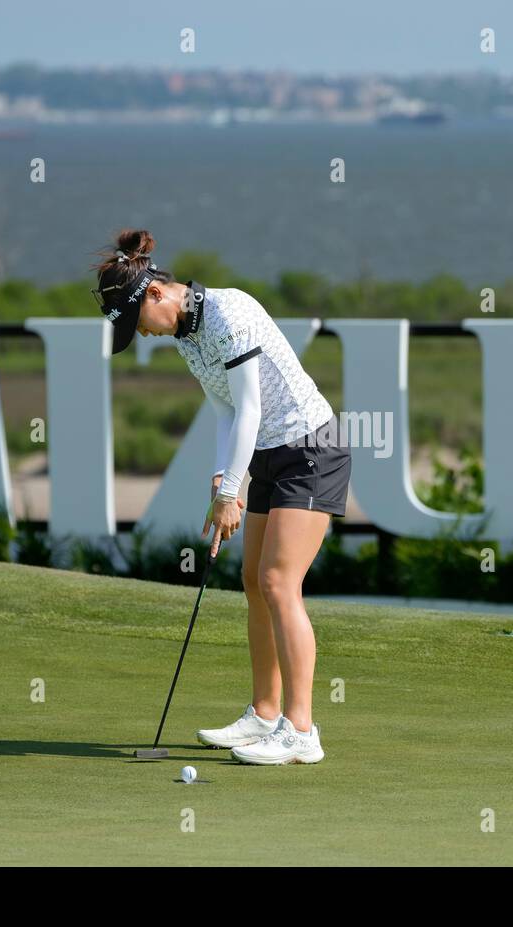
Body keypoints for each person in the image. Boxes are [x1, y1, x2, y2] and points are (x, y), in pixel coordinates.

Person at [94, 228, 351, 766]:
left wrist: (231, 491)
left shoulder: (227, 314)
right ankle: (264, 714)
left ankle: (302, 731)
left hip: (312, 449)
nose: (143, 333)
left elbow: (251, 407)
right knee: (254, 581)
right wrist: (220, 477)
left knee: (279, 582)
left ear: (156, 293)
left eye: (138, 321)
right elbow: (225, 410)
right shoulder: (187, 335)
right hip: (270, 454)